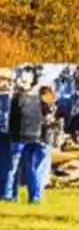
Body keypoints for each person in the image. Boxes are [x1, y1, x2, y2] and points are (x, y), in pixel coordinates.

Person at [6, 70, 44, 203]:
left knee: (13, 168)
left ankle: (10, 194)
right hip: (34, 136)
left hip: (19, 136)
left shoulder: (18, 99)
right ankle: (35, 196)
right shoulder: (38, 99)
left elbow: (12, 119)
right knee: (31, 168)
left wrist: (11, 133)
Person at [0, 69, 12, 201]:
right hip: (6, 132)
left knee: (7, 164)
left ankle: (5, 192)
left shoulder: (11, 98)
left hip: (7, 133)